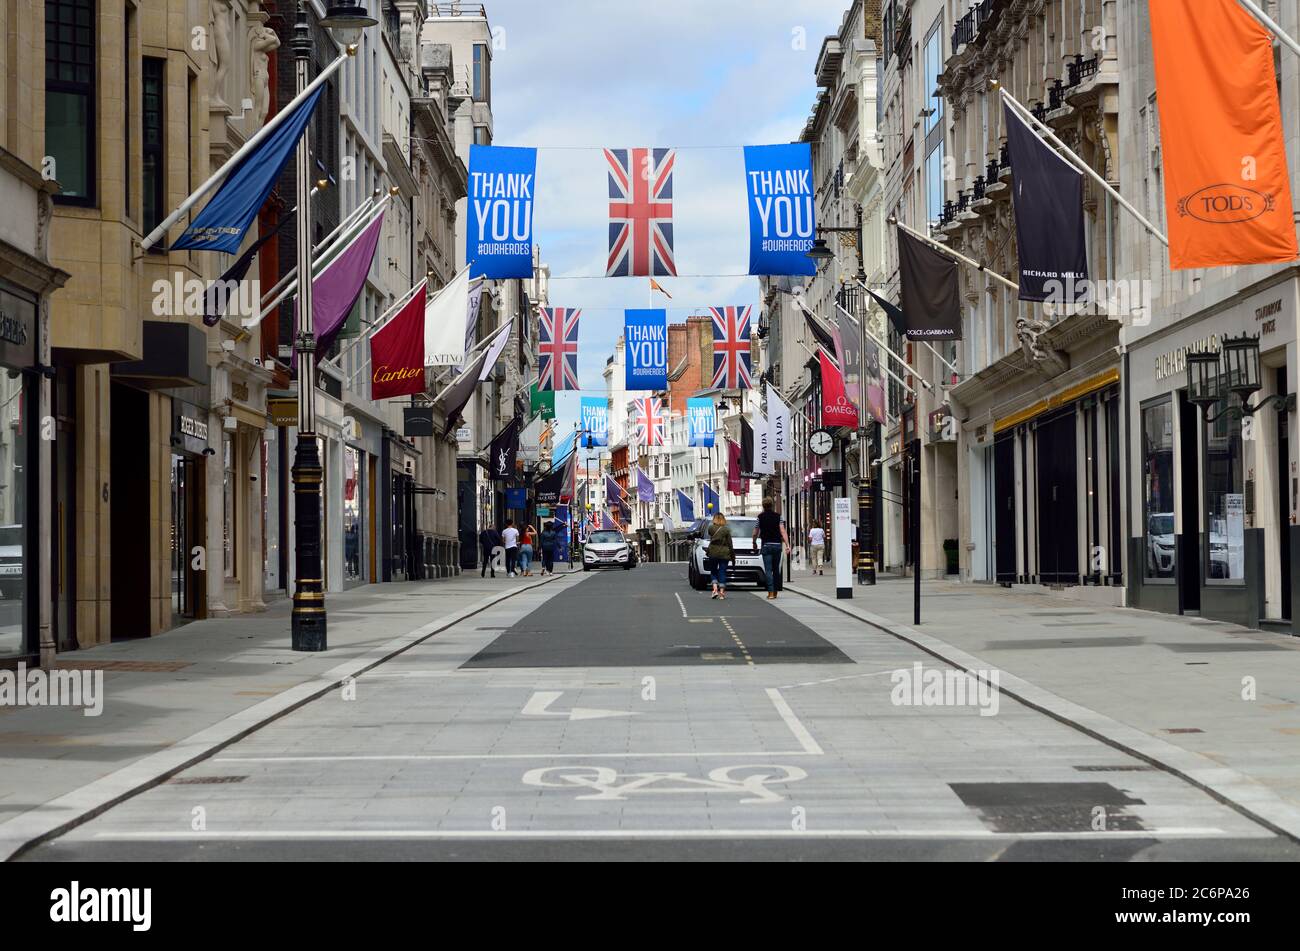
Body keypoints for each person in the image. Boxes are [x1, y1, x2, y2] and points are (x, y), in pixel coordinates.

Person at [752, 497, 791, 599]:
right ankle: (776, 590)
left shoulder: (760, 517)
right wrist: (787, 545)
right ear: (772, 505)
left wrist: (754, 542)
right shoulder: (779, 517)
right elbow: (782, 531)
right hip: (777, 545)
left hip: (766, 545)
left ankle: (770, 592)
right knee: (776, 569)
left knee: (768, 570)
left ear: (763, 506)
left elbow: (755, 532)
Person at [705, 513, 734, 599]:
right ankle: (721, 592)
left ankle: (714, 590)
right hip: (724, 554)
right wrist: (732, 554)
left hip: (713, 553)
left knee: (713, 571)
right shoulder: (726, 530)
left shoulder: (711, 528)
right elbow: (730, 543)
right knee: (722, 572)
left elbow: (711, 536)